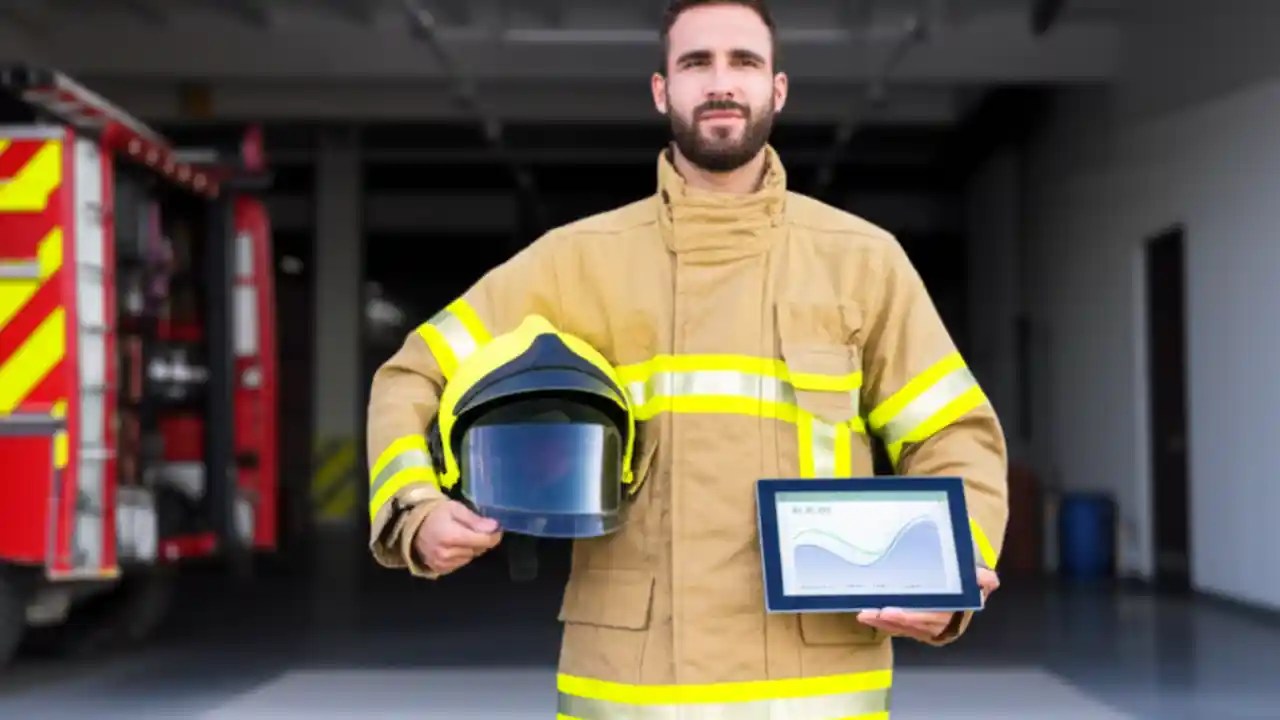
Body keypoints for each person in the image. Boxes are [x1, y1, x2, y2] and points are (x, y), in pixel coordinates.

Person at [365, 0, 1009, 716]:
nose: (722, 81)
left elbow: (953, 432)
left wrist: (950, 570)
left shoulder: (861, 263)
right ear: (661, 90)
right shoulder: (578, 262)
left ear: (778, 89)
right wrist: (415, 508)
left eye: (744, 61)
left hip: (817, 691)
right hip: (629, 687)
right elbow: (413, 372)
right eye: (696, 63)